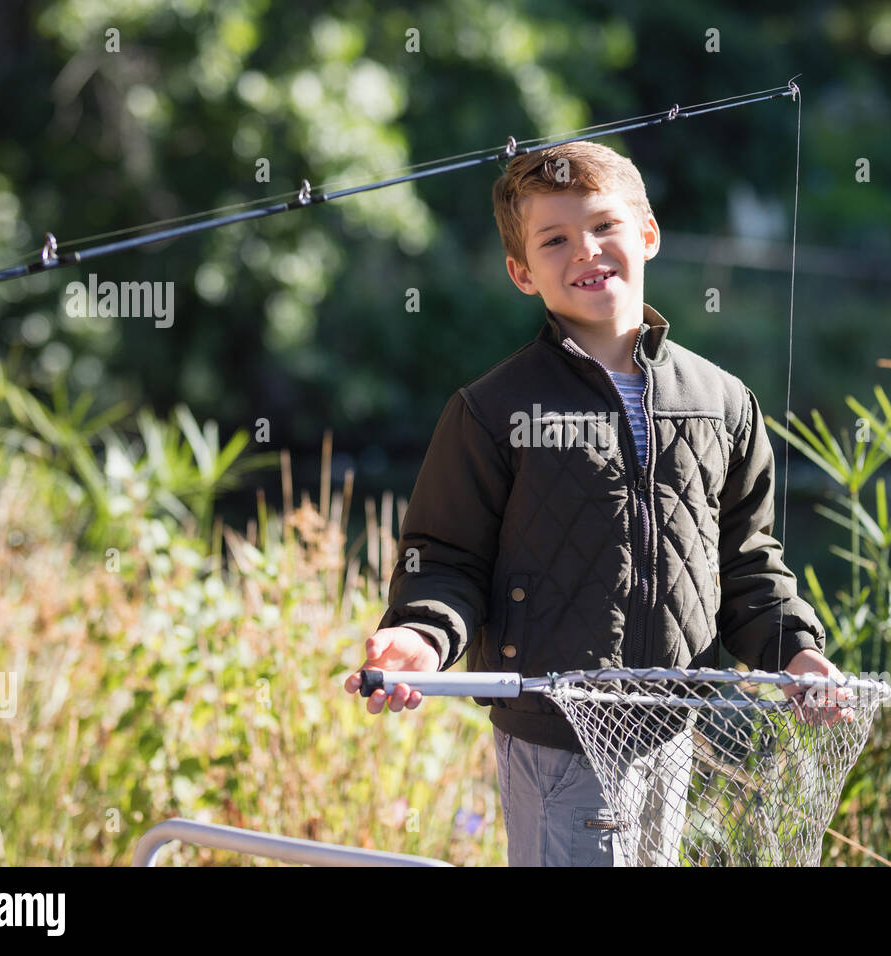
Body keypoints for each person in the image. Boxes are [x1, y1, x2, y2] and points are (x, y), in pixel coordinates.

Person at [345, 139, 845, 865]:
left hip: (672, 731)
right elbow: (445, 561)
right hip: (554, 737)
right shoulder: (492, 409)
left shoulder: (725, 403)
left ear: (647, 234)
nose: (587, 250)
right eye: (554, 239)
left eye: (605, 226)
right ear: (522, 272)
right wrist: (420, 638)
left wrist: (796, 652)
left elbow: (747, 562)